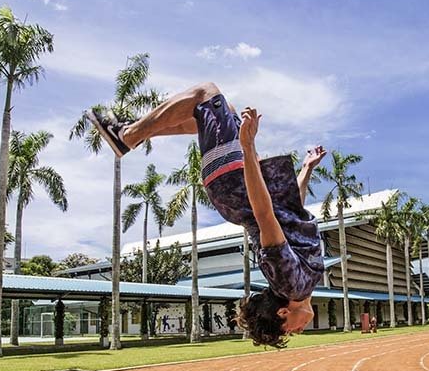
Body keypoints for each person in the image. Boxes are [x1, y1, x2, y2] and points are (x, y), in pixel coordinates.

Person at [86, 82, 326, 348]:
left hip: (234, 184)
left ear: (282, 313)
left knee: (205, 94)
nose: (299, 330)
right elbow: (290, 213)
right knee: (219, 110)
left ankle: (129, 135)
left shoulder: (290, 283)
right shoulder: (304, 283)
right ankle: (137, 132)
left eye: (291, 330)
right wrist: (306, 170)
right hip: (234, 187)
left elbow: (265, 215)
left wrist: (248, 146)